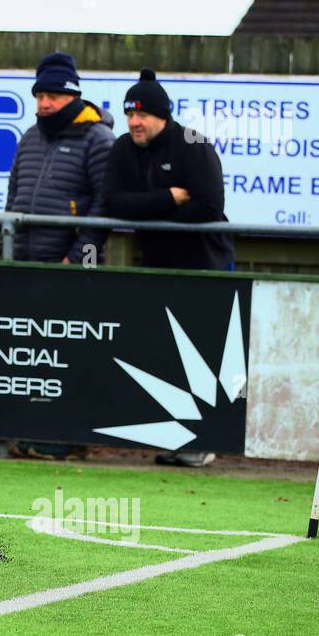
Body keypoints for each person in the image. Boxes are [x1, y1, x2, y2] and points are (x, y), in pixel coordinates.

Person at [103, 68, 234, 467]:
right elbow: (113, 203)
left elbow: (209, 206)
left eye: (142, 115)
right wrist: (170, 198)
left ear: (163, 115)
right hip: (157, 265)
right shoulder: (124, 148)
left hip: (205, 264)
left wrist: (151, 208)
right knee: (167, 354)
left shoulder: (193, 144)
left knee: (206, 353)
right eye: (129, 115)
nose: (134, 123)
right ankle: (181, 440)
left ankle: (207, 441)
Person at [7, 51, 115, 266]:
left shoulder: (99, 139)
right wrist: (7, 246)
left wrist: (77, 259)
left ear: (73, 96)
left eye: (53, 97)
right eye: (40, 97)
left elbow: (104, 208)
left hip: (74, 268)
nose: (44, 104)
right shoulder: (29, 137)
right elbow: (13, 197)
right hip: (21, 263)